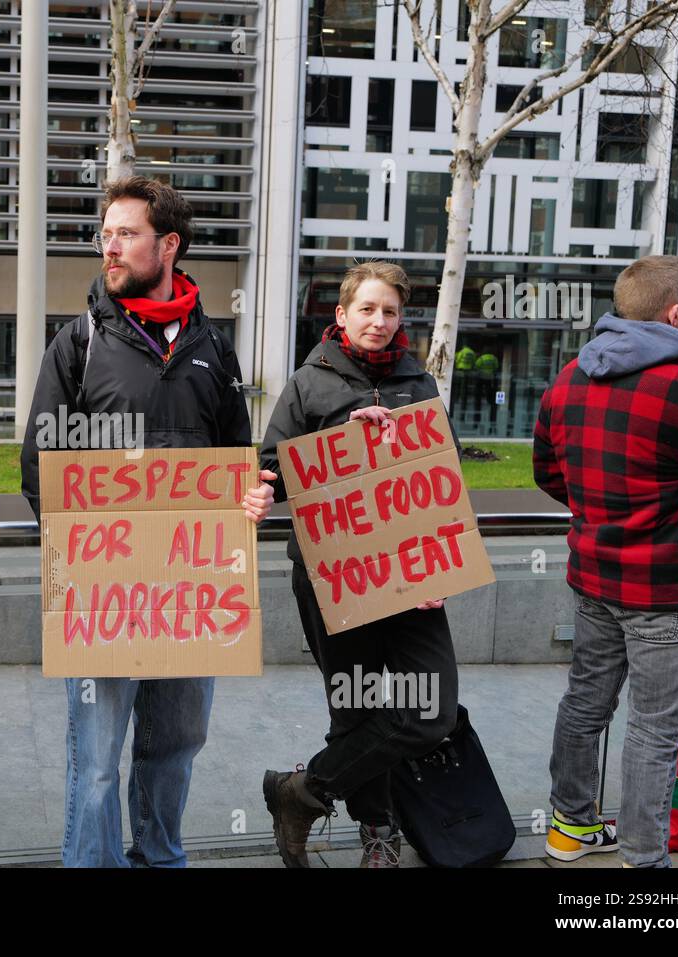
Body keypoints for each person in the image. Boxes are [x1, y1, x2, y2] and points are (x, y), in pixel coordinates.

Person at [19, 176, 268, 867]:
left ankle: (161, 857)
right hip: (106, 589)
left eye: (125, 233)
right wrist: (86, 552)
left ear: (169, 245)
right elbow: (42, 459)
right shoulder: (80, 342)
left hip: (194, 586)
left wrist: (251, 498)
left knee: (175, 748)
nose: (110, 246)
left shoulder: (214, 347)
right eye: (105, 233)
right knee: (96, 761)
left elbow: (237, 460)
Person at [534, 254, 678, 867]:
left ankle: (568, 829)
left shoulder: (570, 378)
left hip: (595, 581)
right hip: (671, 598)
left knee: (585, 703)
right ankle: (644, 864)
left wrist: (607, 512)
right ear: (677, 313)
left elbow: (551, 473)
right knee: (657, 729)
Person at [255, 261, 459, 868]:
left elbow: (441, 480)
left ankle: (302, 790)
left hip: (412, 579)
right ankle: (378, 833)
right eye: (367, 309)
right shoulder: (307, 384)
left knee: (430, 711)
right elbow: (273, 472)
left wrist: (439, 569)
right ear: (341, 315)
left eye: (390, 311)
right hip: (331, 576)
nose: (379, 321)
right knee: (356, 707)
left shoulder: (420, 383)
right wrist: (344, 437)